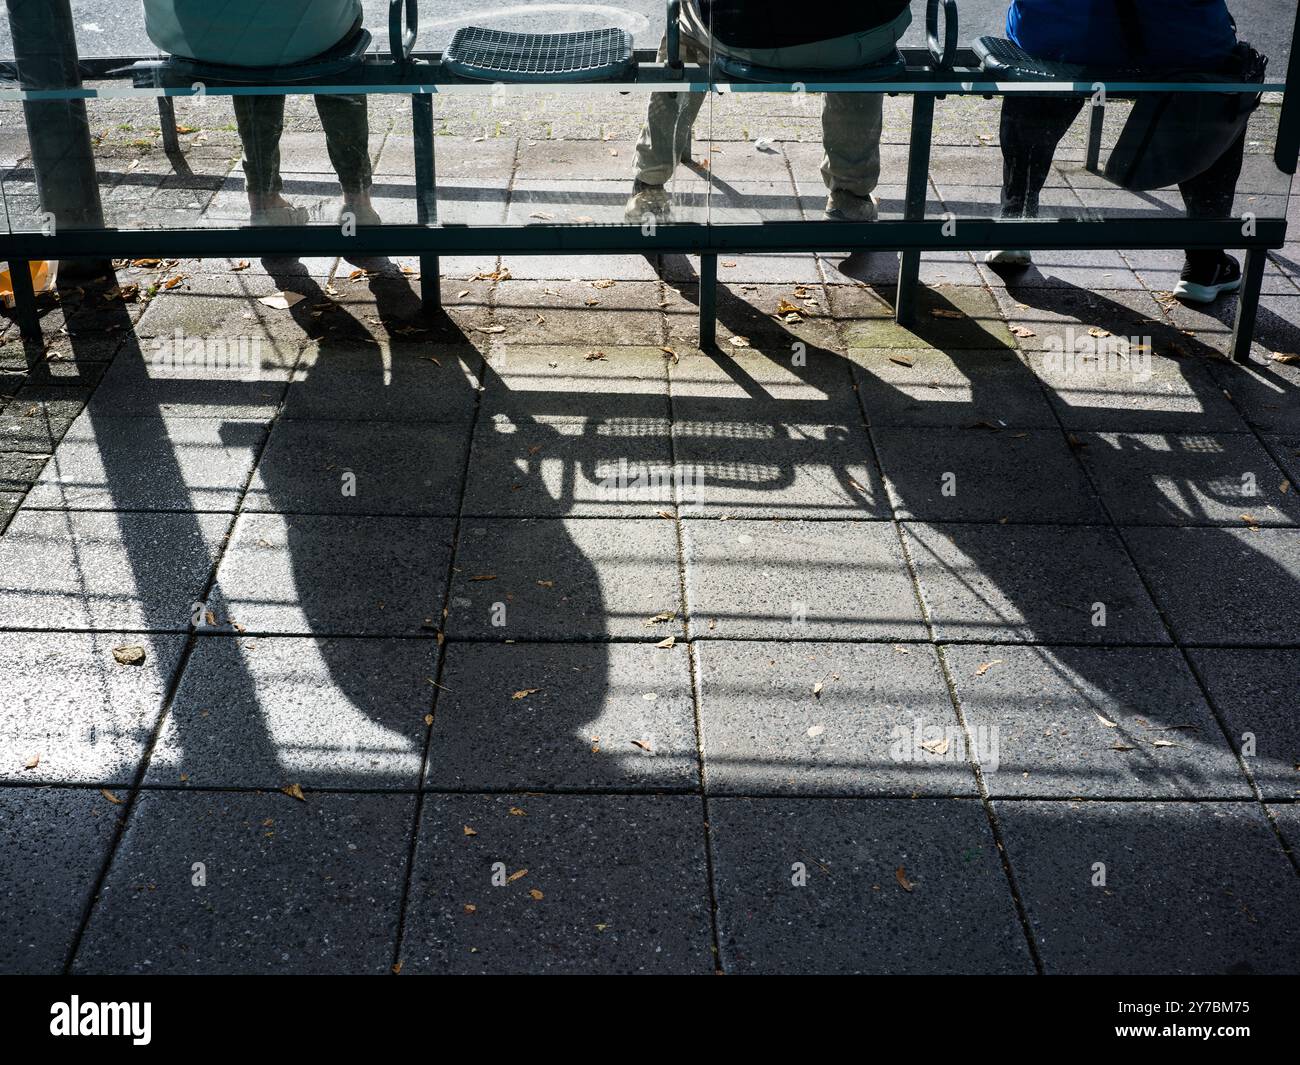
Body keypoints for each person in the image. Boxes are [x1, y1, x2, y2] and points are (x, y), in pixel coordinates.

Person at [990, 0, 1245, 304]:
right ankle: (1205, 262)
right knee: (1221, 78)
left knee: (1046, 50)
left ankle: (1015, 221)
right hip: (1178, 39)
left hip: (1061, 32)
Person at [626, 0, 914, 224]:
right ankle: (851, 196)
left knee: (684, 24)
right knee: (860, 50)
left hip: (747, 35)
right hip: (862, 32)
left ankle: (650, 184)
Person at [143, 0, 380, 226]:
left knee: (247, 40)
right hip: (318, 29)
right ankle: (357, 203)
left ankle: (264, 204)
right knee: (323, 49)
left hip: (201, 31)